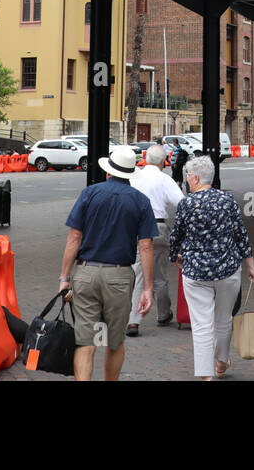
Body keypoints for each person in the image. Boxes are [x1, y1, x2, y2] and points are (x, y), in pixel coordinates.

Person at [59, 147, 157, 381]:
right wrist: (148, 288)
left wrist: (64, 277)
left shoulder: (89, 194)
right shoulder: (141, 201)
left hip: (85, 273)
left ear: (108, 172)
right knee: (115, 341)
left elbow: (74, 238)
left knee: (85, 340)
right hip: (120, 276)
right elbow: (145, 247)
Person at [170, 154, 254, 379]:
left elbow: (176, 235)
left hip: (196, 271)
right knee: (224, 318)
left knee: (201, 325)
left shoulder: (187, 203)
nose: (187, 179)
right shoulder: (227, 200)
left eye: (188, 175)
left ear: (196, 178)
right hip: (228, 269)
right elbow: (241, 234)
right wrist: (250, 265)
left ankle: (205, 374)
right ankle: (221, 361)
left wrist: (175, 256)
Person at [127, 144, 184, 336]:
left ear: (145, 158)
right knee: (159, 274)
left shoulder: (134, 177)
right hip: (158, 227)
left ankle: (133, 321)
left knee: (139, 274)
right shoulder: (164, 179)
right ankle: (163, 314)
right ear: (163, 162)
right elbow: (181, 203)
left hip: (136, 228)